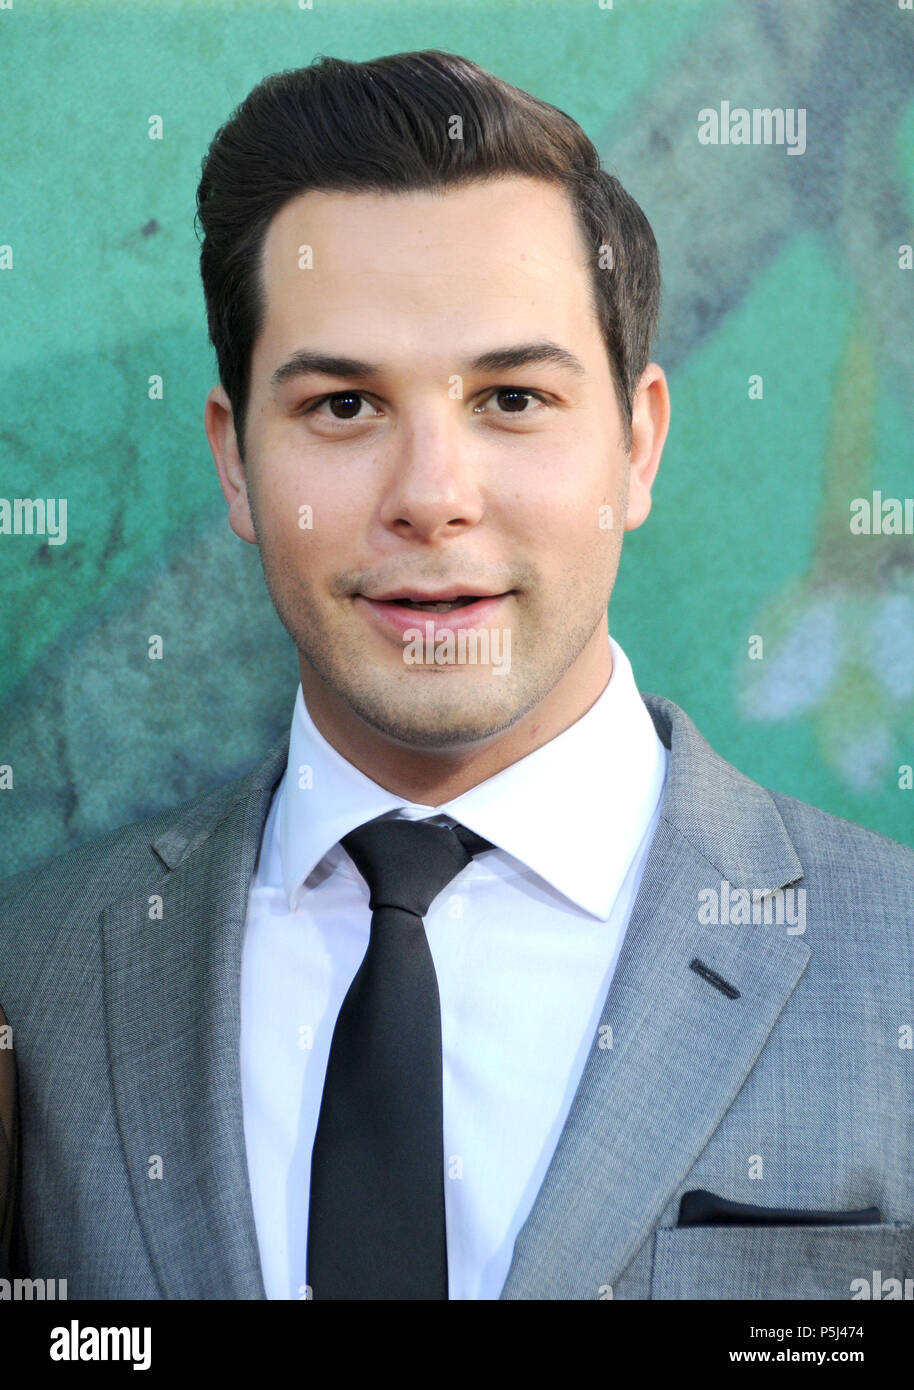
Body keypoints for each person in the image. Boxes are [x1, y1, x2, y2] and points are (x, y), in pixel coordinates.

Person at [0, 49, 911, 1301]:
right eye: (340, 408)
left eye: (512, 398)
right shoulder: (34, 972)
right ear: (234, 463)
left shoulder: (895, 960)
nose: (432, 495)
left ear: (637, 441)